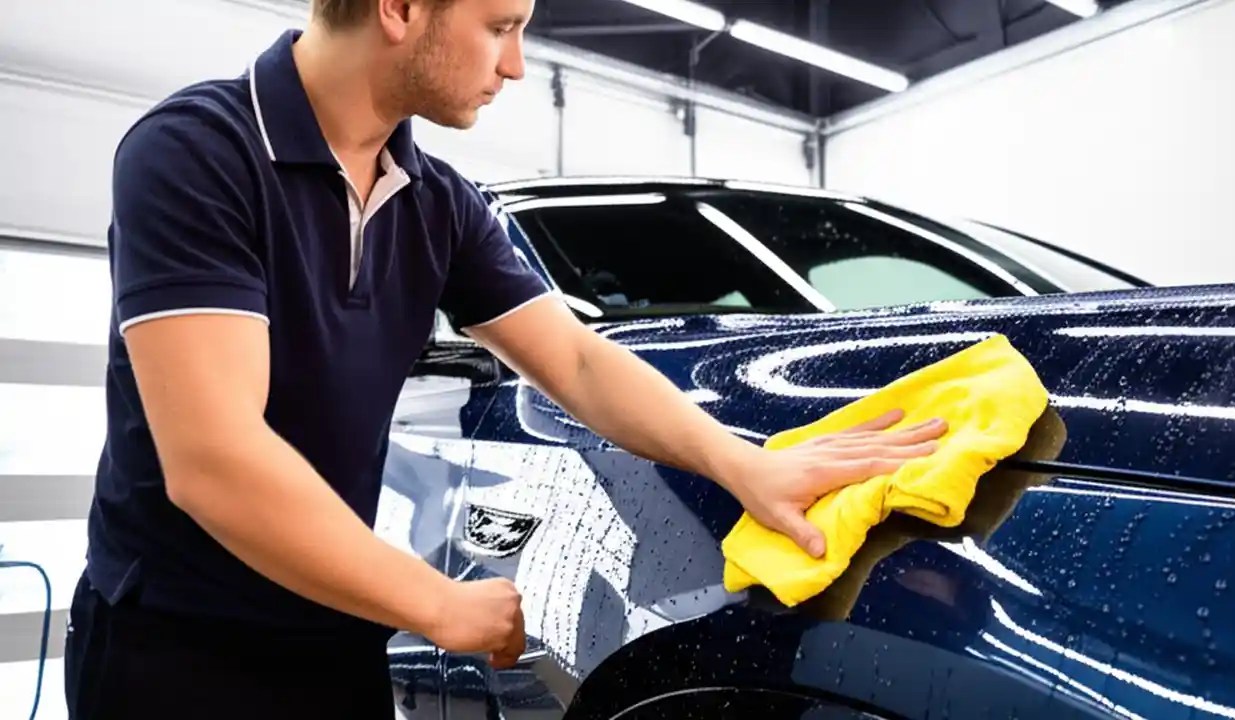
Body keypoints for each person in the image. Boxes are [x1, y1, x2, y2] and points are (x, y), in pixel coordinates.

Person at [62, 0, 947, 716]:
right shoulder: (196, 151)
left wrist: (744, 463)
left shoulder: (438, 201)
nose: (517, 66)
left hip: (336, 635)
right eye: (501, 27)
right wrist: (437, 603)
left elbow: (576, 361)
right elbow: (214, 460)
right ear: (401, 8)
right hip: (174, 651)